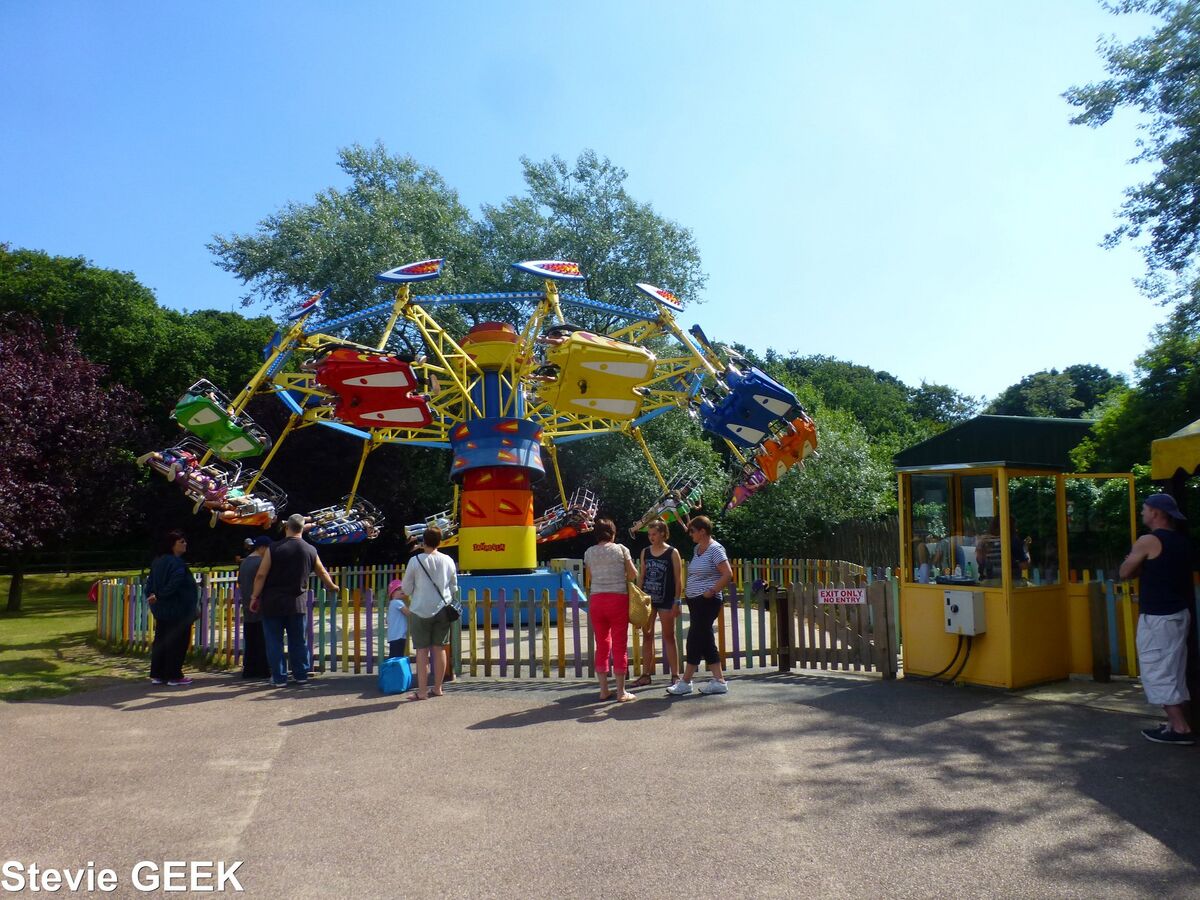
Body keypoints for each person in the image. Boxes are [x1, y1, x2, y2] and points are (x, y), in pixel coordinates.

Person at [1119, 493, 1196, 745]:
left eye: (1144, 509)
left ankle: (1180, 728)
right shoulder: (1181, 541)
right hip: (1179, 613)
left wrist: (1134, 561)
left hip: (1158, 616)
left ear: (1155, 513)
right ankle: (1176, 722)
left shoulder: (1148, 541)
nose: (1142, 513)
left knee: (1157, 670)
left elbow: (1125, 572)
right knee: (1174, 669)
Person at [250, 513, 340, 688]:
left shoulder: (273, 548)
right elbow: (321, 571)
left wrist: (254, 596)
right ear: (302, 528)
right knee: (298, 640)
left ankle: (279, 677)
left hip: (273, 602)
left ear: (287, 527)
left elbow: (261, 574)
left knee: (274, 641)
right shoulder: (310, 550)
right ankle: (300, 675)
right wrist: (331, 586)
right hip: (297, 603)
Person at [668, 514, 734, 696]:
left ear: (703, 531)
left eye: (693, 531)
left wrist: (711, 591)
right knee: (705, 640)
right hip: (696, 601)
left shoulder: (716, 549)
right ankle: (719, 681)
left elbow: (727, 574)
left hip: (708, 601)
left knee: (695, 639)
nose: (690, 534)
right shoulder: (698, 547)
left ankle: (686, 681)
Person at [583, 518, 639, 702]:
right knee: (620, 645)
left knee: (602, 644)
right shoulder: (621, 549)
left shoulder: (589, 552)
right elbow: (633, 574)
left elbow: (590, 576)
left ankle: (603, 690)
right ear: (613, 533)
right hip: (618, 599)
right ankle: (621, 692)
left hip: (597, 600)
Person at [400, 526, 459, 700]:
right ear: (440, 542)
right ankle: (438, 688)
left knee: (421, 651)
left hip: (420, 609)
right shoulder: (448, 560)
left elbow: (406, 588)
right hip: (442, 608)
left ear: (423, 541)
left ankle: (422, 691)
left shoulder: (415, 561)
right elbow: (454, 586)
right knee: (439, 649)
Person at [632, 519, 683, 687]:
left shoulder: (672, 552)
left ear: (662, 533)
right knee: (647, 636)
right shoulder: (645, 552)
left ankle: (675, 675)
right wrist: (638, 599)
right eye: (649, 534)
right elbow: (642, 576)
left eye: (654, 534)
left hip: (667, 600)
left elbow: (678, 578)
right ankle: (646, 674)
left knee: (669, 636)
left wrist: (677, 600)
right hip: (649, 600)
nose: (651, 537)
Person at [145, 529, 198, 687]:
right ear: (172, 545)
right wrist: (160, 595)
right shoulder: (176, 563)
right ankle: (174, 675)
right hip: (178, 609)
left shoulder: (158, 560)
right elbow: (175, 583)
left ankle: (158, 674)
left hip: (162, 610)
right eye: (181, 542)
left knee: (161, 640)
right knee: (177, 642)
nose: (185, 544)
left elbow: (150, 582)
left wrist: (152, 595)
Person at [238, 535, 272, 680]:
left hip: (246, 605)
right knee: (261, 639)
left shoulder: (245, 563)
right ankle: (262, 669)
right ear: (262, 548)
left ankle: (249, 669)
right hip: (259, 604)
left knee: (250, 639)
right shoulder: (260, 562)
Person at [386, 577, 410, 660]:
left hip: (394, 636)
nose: (401, 590)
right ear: (392, 594)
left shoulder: (392, 604)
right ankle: (394, 672)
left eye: (402, 588)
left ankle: (393, 672)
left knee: (394, 656)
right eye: (398, 589)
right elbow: (408, 613)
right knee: (397, 658)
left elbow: (387, 620)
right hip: (398, 636)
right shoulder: (397, 602)